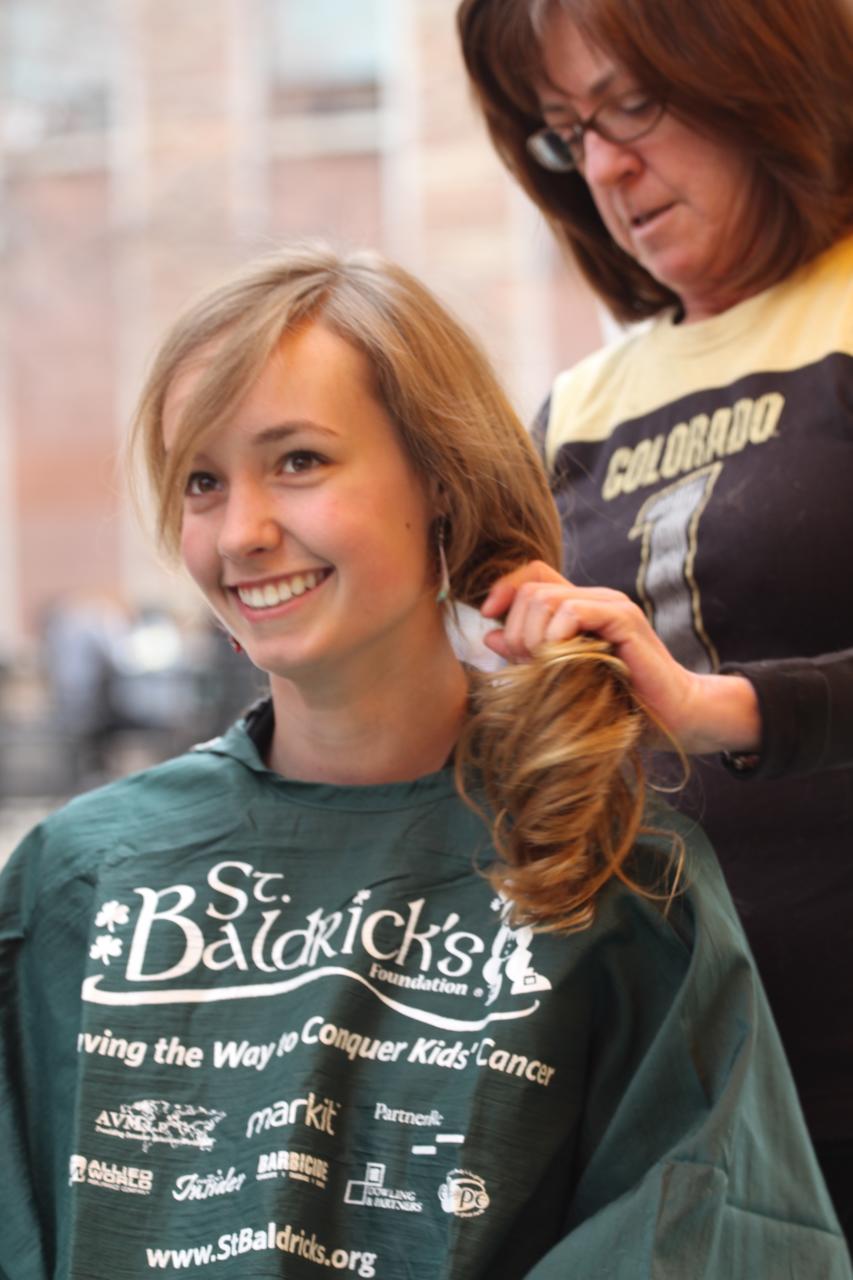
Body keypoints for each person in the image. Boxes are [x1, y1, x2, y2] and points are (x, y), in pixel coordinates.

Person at [0, 245, 848, 1280]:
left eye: (298, 460)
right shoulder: (77, 875)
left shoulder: (611, 872)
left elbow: (708, 1232)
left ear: (441, 480)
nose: (242, 532)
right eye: (202, 481)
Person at [457, 0, 853, 1233]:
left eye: (634, 102)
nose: (607, 165)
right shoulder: (577, 404)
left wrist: (713, 705)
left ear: (760, 71)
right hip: (666, 1062)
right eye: (566, 130)